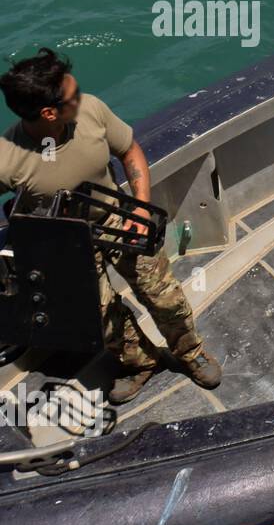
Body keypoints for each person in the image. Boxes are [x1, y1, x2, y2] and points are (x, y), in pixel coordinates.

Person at [0, 49, 220, 404]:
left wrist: (142, 212)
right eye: (73, 96)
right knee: (100, 316)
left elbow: (130, 151)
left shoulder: (92, 110)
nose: (82, 99)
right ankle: (140, 363)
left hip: (117, 219)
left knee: (164, 296)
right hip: (65, 242)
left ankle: (189, 352)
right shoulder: (6, 157)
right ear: (48, 113)